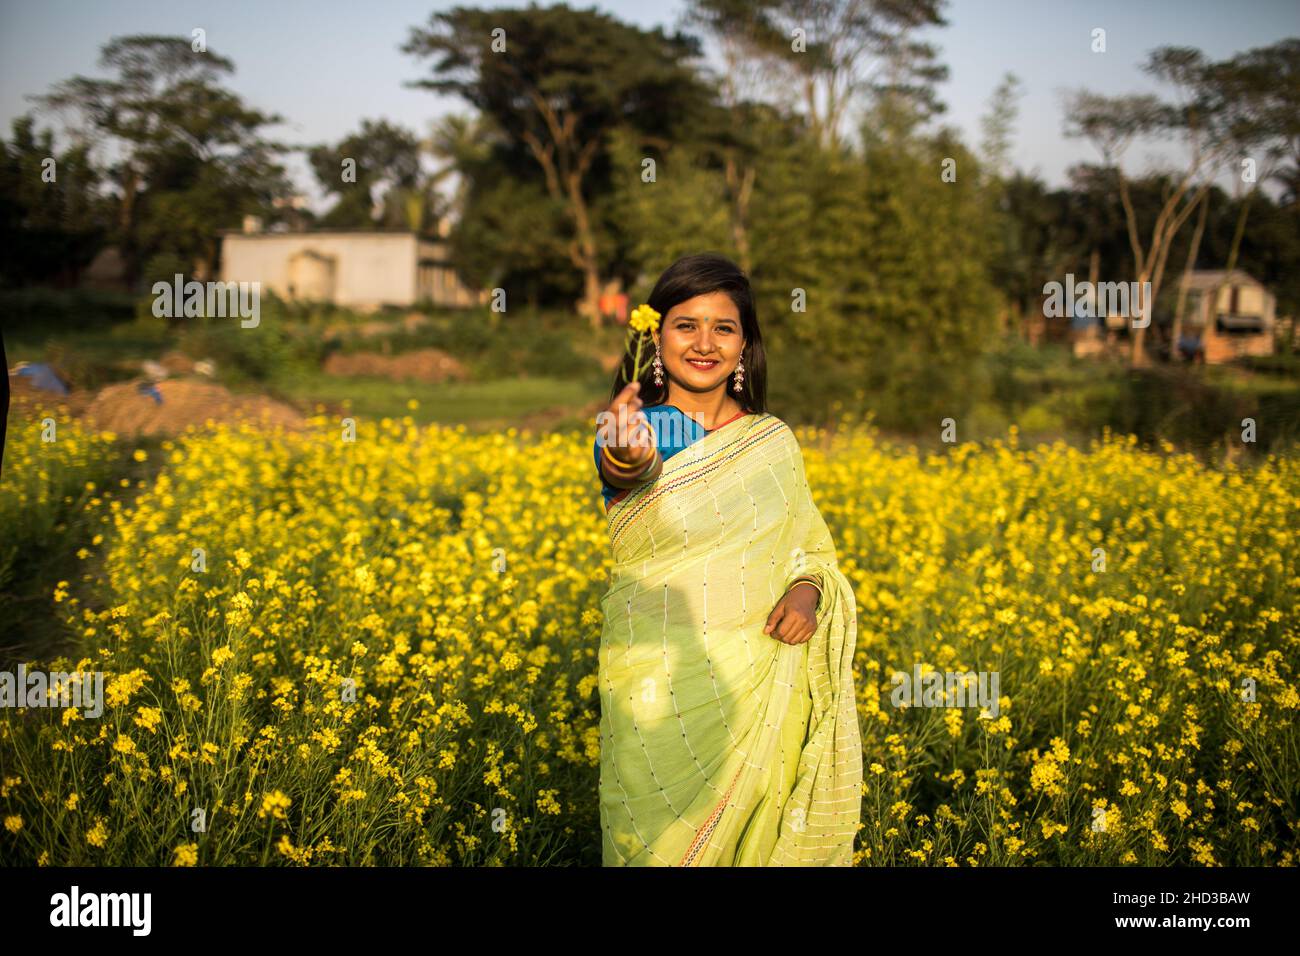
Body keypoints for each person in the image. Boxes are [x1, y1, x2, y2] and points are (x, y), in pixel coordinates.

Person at [592, 252, 863, 866]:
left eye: (724, 327)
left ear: (745, 345)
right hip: (653, 685)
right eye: (686, 325)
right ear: (656, 338)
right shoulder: (634, 430)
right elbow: (627, 469)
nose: (705, 343)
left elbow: (810, 550)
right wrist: (628, 452)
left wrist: (808, 593)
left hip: (760, 679)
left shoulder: (771, 442)